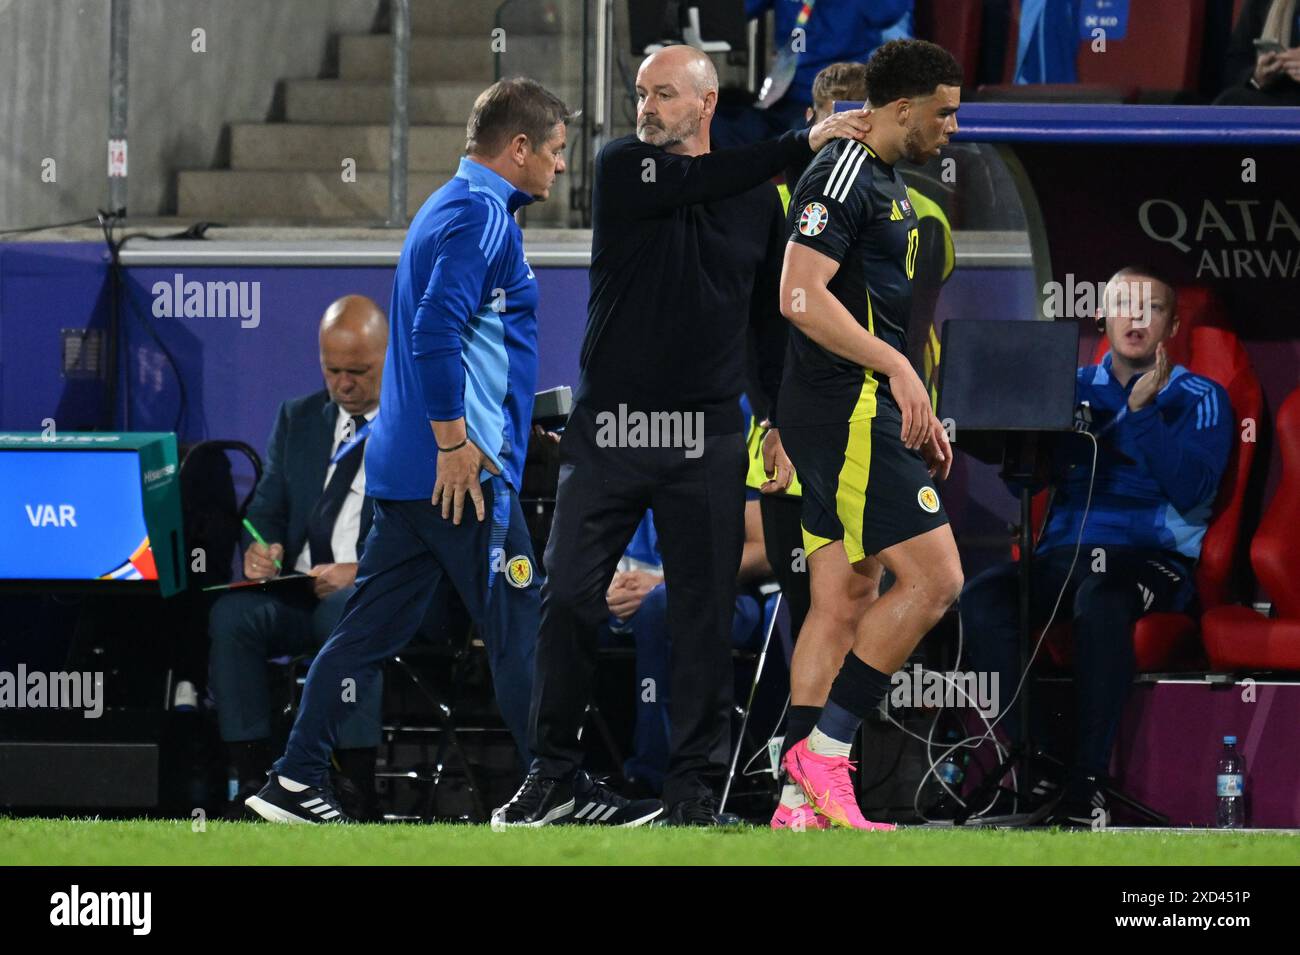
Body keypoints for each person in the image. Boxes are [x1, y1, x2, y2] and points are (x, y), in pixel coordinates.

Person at [492, 44, 875, 828]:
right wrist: (803, 143)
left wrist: (772, 417)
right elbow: (704, 178)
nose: (646, 108)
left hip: (706, 434)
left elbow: (768, 328)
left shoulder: (759, 204)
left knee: (701, 614)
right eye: (640, 93)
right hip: (612, 431)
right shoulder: (623, 168)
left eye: (664, 95)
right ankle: (555, 775)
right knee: (567, 596)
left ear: (705, 104)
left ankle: (693, 792)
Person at [245, 77, 572, 824]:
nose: (559, 167)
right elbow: (431, 334)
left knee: (368, 630)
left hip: (412, 472)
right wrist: (457, 442)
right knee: (520, 619)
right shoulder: (482, 216)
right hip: (460, 476)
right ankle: (552, 787)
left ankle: (293, 777)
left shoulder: (452, 206)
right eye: (554, 151)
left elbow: (466, 345)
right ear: (517, 148)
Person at [768, 39, 963, 829]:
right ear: (904, 108)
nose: (952, 127)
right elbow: (797, 295)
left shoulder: (884, 179)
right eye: (944, 113)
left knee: (843, 598)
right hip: (843, 405)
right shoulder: (844, 169)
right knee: (935, 579)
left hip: (851, 407)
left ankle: (795, 805)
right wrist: (899, 370)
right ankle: (823, 751)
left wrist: (905, 387)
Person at [961, 267, 1232, 826]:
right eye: (1124, 306)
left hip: (1150, 560)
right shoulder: (1069, 386)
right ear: (1101, 317)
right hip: (1061, 558)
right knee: (982, 599)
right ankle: (1045, 766)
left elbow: (1193, 489)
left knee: (1103, 596)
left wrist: (1144, 413)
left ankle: (1085, 784)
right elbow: (1024, 485)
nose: (1136, 319)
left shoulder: (1201, 396)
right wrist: (1019, 444)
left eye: (1151, 308)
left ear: (1173, 324)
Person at [209, 295, 387, 818]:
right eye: (333, 371)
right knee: (233, 615)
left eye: (358, 371)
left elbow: (428, 531)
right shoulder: (300, 417)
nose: (344, 384)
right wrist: (259, 549)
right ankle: (255, 781)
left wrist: (360, 570)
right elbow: (264, 509)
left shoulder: (420, 425)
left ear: (388, 361)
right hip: (300, 589)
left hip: (377, 594)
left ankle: (353, 786)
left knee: (348, 608)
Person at [600, 400, 774, 796]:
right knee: (556, 600)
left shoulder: (743, 414)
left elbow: (764, 550)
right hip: (627, 588)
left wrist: (666, 580)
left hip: (727, 596)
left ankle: (657, 786)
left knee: (662, 607)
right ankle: (564, 782)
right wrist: (600, 580)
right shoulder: (622, 411)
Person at [712, 0, 912, 148]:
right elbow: (729, 11)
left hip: (839, 100)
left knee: (803, 138)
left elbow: (888, 12)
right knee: (708, 120)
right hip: (782, 99)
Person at [1216, 0, 1300, 106]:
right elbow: (1235, 66)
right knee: (1189, 100)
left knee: (1232, 100)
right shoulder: (1260, 3)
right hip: (1273, 97)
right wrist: (1257, 77)